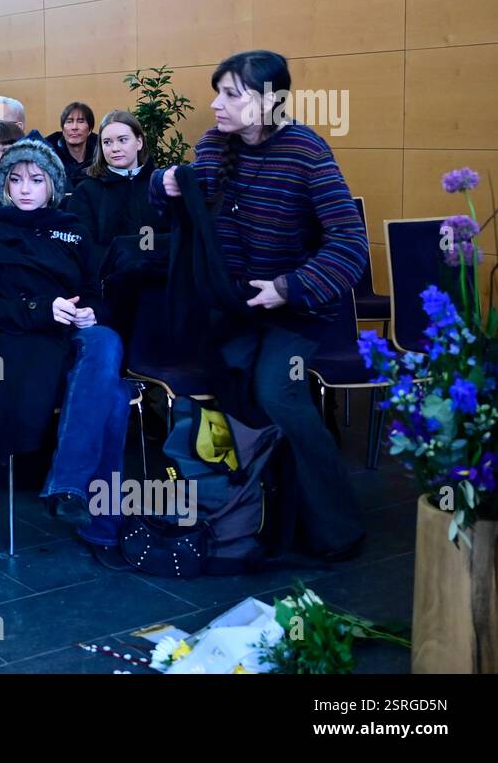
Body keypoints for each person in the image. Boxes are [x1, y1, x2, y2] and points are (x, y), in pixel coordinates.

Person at [148, 49, 368, 561]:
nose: (215, 104)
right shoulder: (212, 144)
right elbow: (181, 205)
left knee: (278, 391)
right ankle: (256, 515)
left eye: (230, 94)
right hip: (237, 308)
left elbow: (350, 243)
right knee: (230, 387)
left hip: (297, 309)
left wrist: (289, 287)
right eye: (217, 92)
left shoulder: (306, 151)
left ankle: (335, 528)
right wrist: (163, 186)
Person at [0, 138, 131, 568]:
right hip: (18, 344)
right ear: (3, 185)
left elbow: (95, 292)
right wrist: (38, 309)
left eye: (36, 180)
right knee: (114, 399)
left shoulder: (72, 227)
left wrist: (92, 312)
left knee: (107, 339)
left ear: (52, 185)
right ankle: (101, 524)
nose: (24, 188)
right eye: (15, 180)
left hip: (71, 337)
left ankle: (68, 484)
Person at [66, 109, 168, 340]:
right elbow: (82, 245)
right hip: (110, 291)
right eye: (107, 142)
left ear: (139, 142)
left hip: (160, 287)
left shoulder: (161, 185)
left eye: (122, 140)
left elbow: (176, 236)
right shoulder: (87, 189)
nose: (114, 148)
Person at [48, 102, 98, 187]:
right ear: (63, 129)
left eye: (80, 121)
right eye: (69, 121)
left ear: (90, 129)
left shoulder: (101, 154)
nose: (74, 127)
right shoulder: (50, 155)